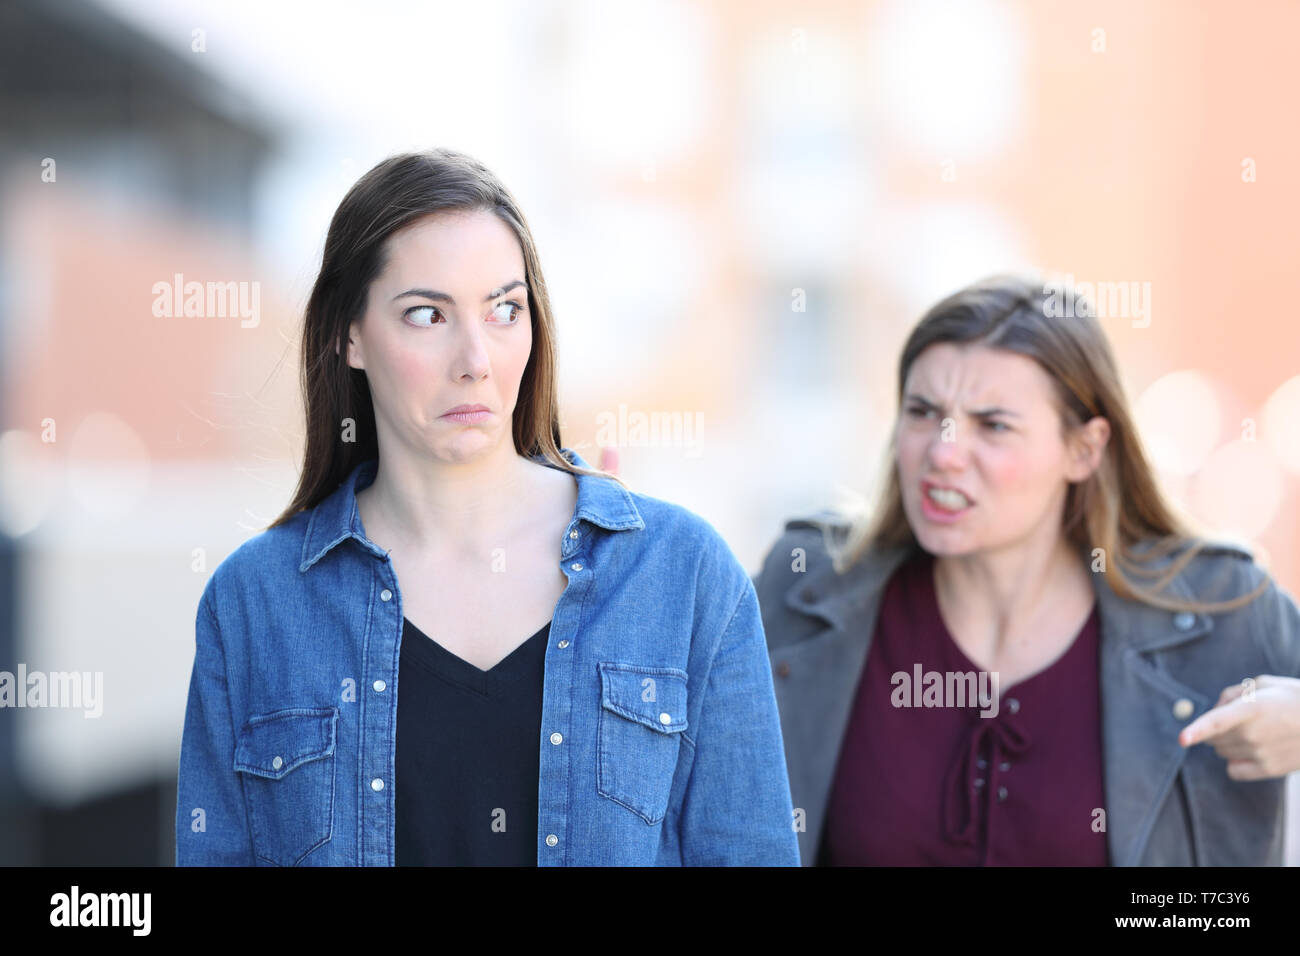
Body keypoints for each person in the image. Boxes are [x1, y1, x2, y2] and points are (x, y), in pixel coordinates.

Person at [175, 148, 799, 866]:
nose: (475, 356)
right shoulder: (255, 602)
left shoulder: (684, 576)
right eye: (426, 314)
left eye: (504, 309)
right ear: (349, 335)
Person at [754, 274, 1300, 866]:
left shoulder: (1218, 607)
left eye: (993, 425)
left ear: (1084, 450)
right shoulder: (806, 589)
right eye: (923, 411)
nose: (943, 452)